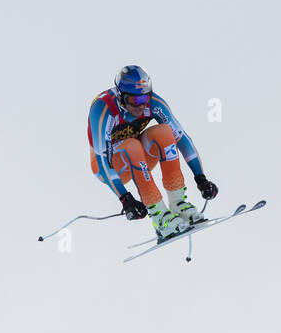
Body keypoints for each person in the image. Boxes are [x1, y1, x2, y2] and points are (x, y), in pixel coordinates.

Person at [86, 65, 219, 238]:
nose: (141, 105)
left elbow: (183, 139)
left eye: (145, 98)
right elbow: (104, 162)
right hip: (110, 168)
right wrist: (125, 199)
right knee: (131, 145)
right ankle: (159, 216)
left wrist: (201, 178)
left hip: (139, 158)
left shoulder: (154, 103)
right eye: (135, 101)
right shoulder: (103, 109)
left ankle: (178, 202)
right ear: (121, 96)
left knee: (164, 131)